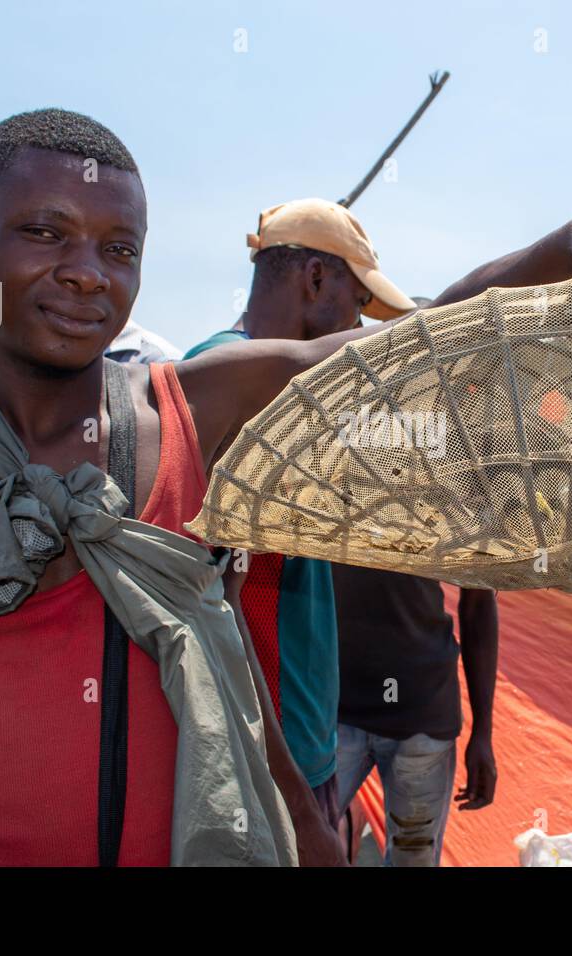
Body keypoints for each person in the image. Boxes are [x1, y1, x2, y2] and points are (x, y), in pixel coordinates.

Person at [0, 106, 572, 867]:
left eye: (121, 248)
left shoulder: (190, 410)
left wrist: (568, 243)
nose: (86, 273)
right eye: (43, 232)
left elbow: (404, 347)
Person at [181, 199, 417, 832]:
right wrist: (298, 806)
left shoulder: (286, 399)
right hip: (262, 765)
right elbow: (219, 620)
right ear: (315, 279)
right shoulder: (234, 392)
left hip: (299, 755)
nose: (357, 324)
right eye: (357, 303)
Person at [332, 567, 498, 866]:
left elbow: (478, 603)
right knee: (300, 839)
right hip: (332, 707)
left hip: (421, 715)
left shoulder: (458, 519)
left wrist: (483, 732)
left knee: (413, 859)